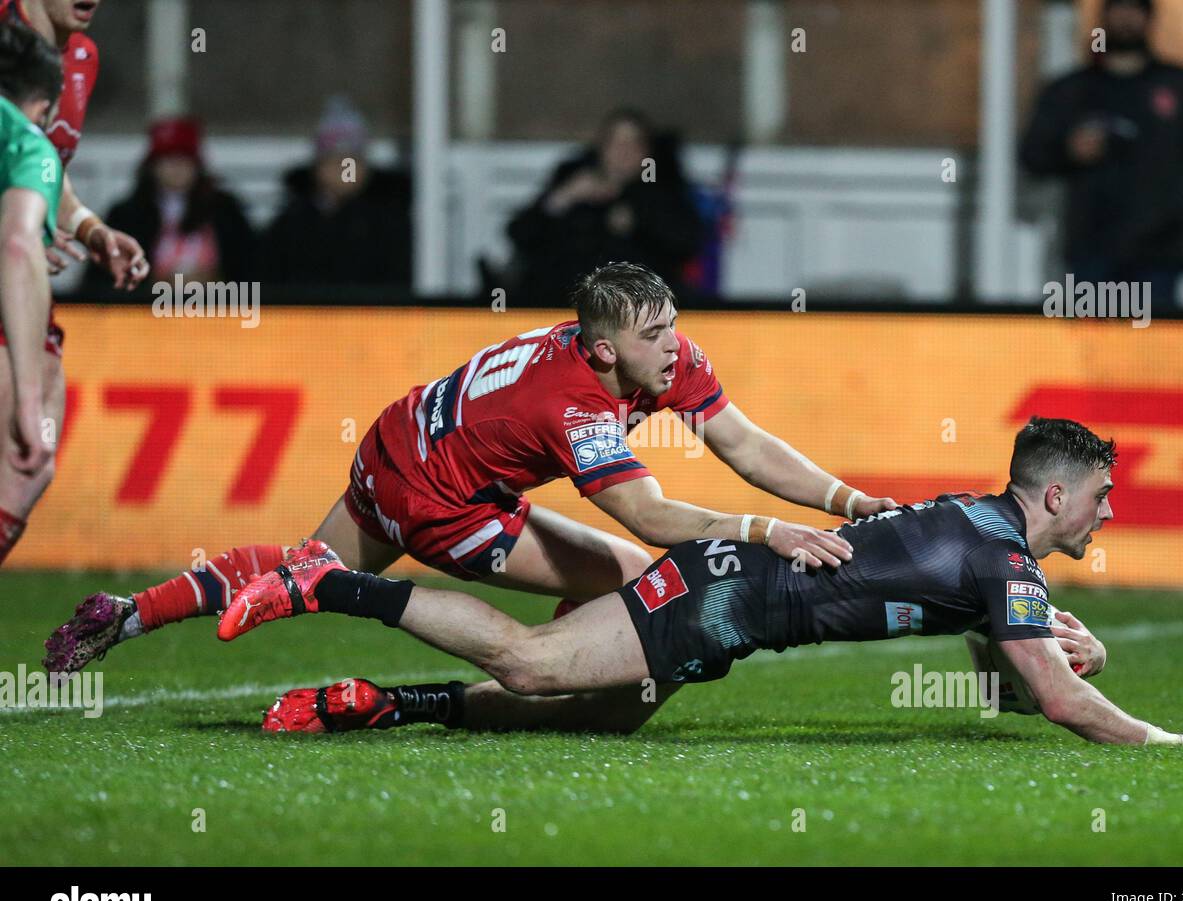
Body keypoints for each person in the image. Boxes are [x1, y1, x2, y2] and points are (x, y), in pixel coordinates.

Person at [45, 262, 897, 735]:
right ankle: (553, 681)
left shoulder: (652, 355)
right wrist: (771, 530)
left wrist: (849, 500)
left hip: (398, 437)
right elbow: (648, 516)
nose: (675, 348)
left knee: (300, 566)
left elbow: (743, 444)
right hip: (442, 497)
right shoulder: (575, 401)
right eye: (654, 335)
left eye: (674, 323)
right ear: (602, 351)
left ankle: (129, 613)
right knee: (636, 575)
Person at [238, 418, 1183, 749]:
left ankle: (381, 703)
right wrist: (1173, 741)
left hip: (726, 607)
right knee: (532, 662)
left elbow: (1004, 680)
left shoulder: (989, 532)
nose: (1108, 513)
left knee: (602, 721)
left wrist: (1046, 648)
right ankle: (322, 585)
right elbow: (1047, 696)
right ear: (1048, 499)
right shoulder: (1001, 557)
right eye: (1098, 498)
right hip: (712, 596)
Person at [0, 0, 150, 566]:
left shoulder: (80, 57)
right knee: (26, 452)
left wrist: (88, 229)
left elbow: (42, 164)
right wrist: (19, 227)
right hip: (10, 262)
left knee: (29, 465)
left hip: (17, 268)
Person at [1019, 0, 1183, 312]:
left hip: (1158, 252)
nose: (1126, 19)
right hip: (1090, 249)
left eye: (1135, 10)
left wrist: (1179, 218)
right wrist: (1070, 151)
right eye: (1118, 10)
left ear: (1149, 18)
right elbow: (1031, 155)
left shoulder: (1182, 88)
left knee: (1151, 351)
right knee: (1094, 351)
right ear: (1103, 18)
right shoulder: (1073, 91)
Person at [503, 109, 702, 306]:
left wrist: (640, 219)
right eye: (616, 142)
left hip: (634, 309)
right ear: (601, 147)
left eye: (633, 143)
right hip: (560, 302)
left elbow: (688, 242)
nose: (624, 151)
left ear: (647, 152)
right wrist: (562, 198)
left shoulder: (662, 189)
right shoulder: (572, 179)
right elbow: (519, 234)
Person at [0, 20, 63, 563]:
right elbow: (18, 248)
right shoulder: (27, 144)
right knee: (27, 472)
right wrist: (26, 400)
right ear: (41, 106)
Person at [79, 116, 255, 292]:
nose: (176, 167)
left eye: (184, 159)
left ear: (197, 165)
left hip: (217, 312)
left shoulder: (225, 211)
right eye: (167, 159)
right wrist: (156, 283)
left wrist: (214, 281)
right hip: (145, 313)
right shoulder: (127, 216)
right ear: (152, 166)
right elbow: (102, 279)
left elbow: (250, 270)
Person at [259, 95, 411, 289]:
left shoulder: (388, 225)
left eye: (352, 161)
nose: (345, 170)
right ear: (318, 167)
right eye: (335, 160)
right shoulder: (292, 225)